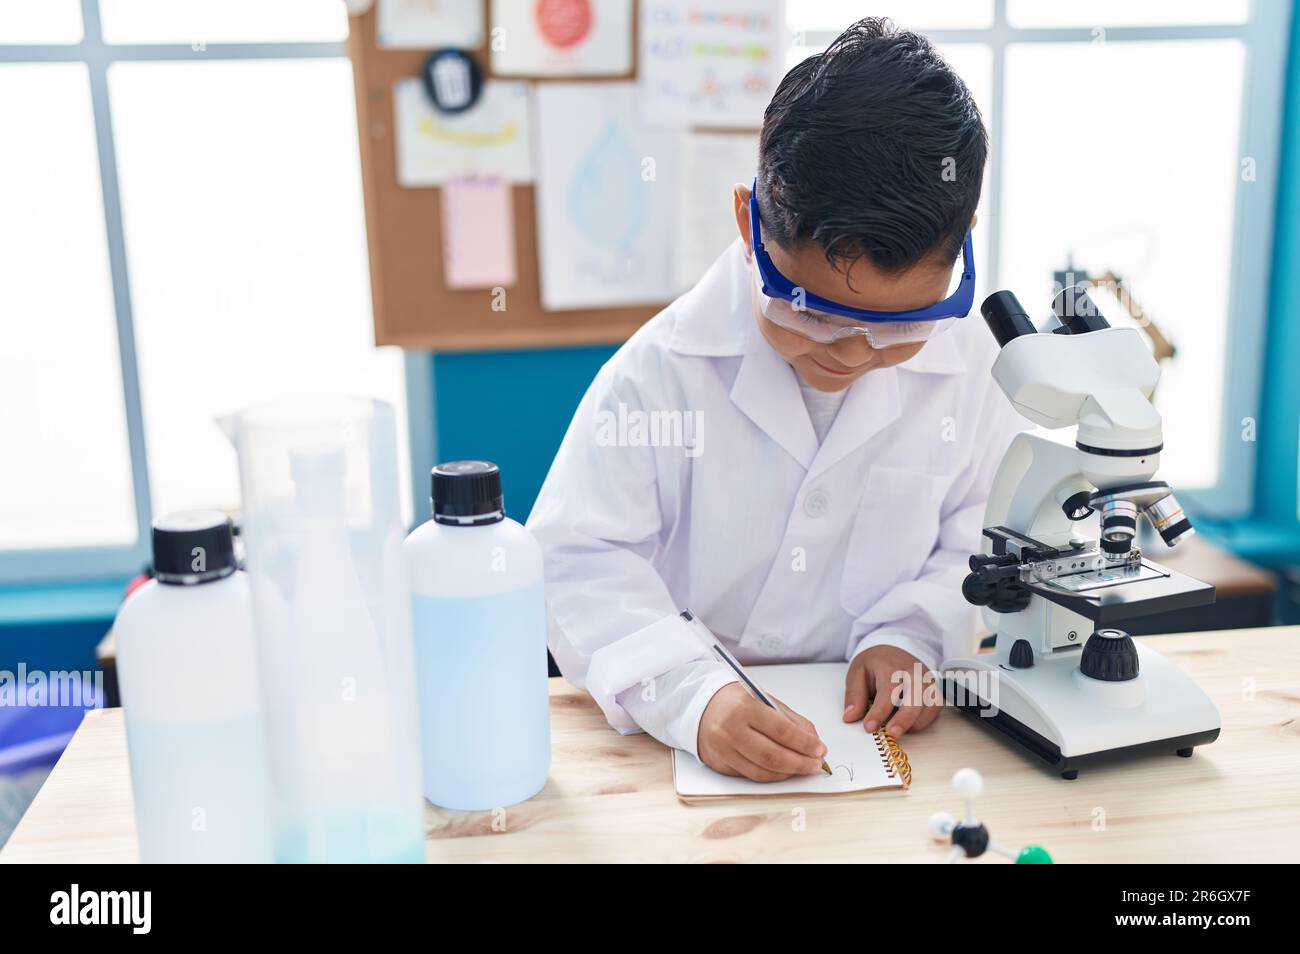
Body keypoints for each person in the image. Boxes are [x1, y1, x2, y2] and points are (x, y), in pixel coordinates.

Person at [527, 18, 1023, 782]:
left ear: (960, 251)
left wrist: (915, 636)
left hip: (878, 751)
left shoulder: (976, 375)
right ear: (747, 222)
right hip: (684, 758)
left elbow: (980, 537)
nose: (853, 351)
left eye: (899, 326)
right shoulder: (658, 376)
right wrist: (692, 697)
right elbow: (577, 562)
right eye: (812, 313)